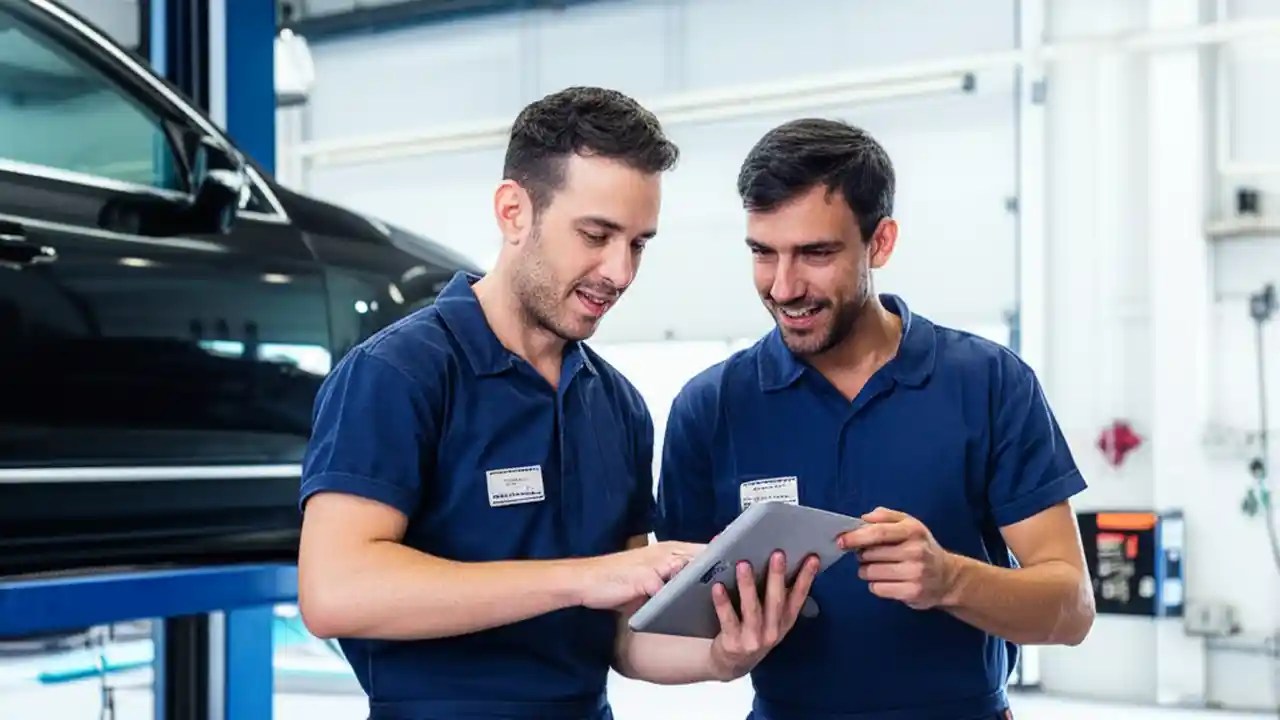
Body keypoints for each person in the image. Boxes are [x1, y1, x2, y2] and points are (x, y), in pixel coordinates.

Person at [295, 86, 819, 720]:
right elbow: (334, 592)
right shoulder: (396, 375)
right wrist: (582, 576)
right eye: (595, 235)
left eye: (638, 244)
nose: (619, 272)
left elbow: (626, 636)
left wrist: (723, 658)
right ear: (514, 212)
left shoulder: (619, 405)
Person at [654, 117, 1096, 720]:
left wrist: (949, 580)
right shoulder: (710, 408)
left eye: (815, 253)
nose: (783, 286)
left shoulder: (988, 383)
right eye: (764, 253)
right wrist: (728, 645)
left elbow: (1072, 609)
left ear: (880, 243)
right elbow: (676, 624)